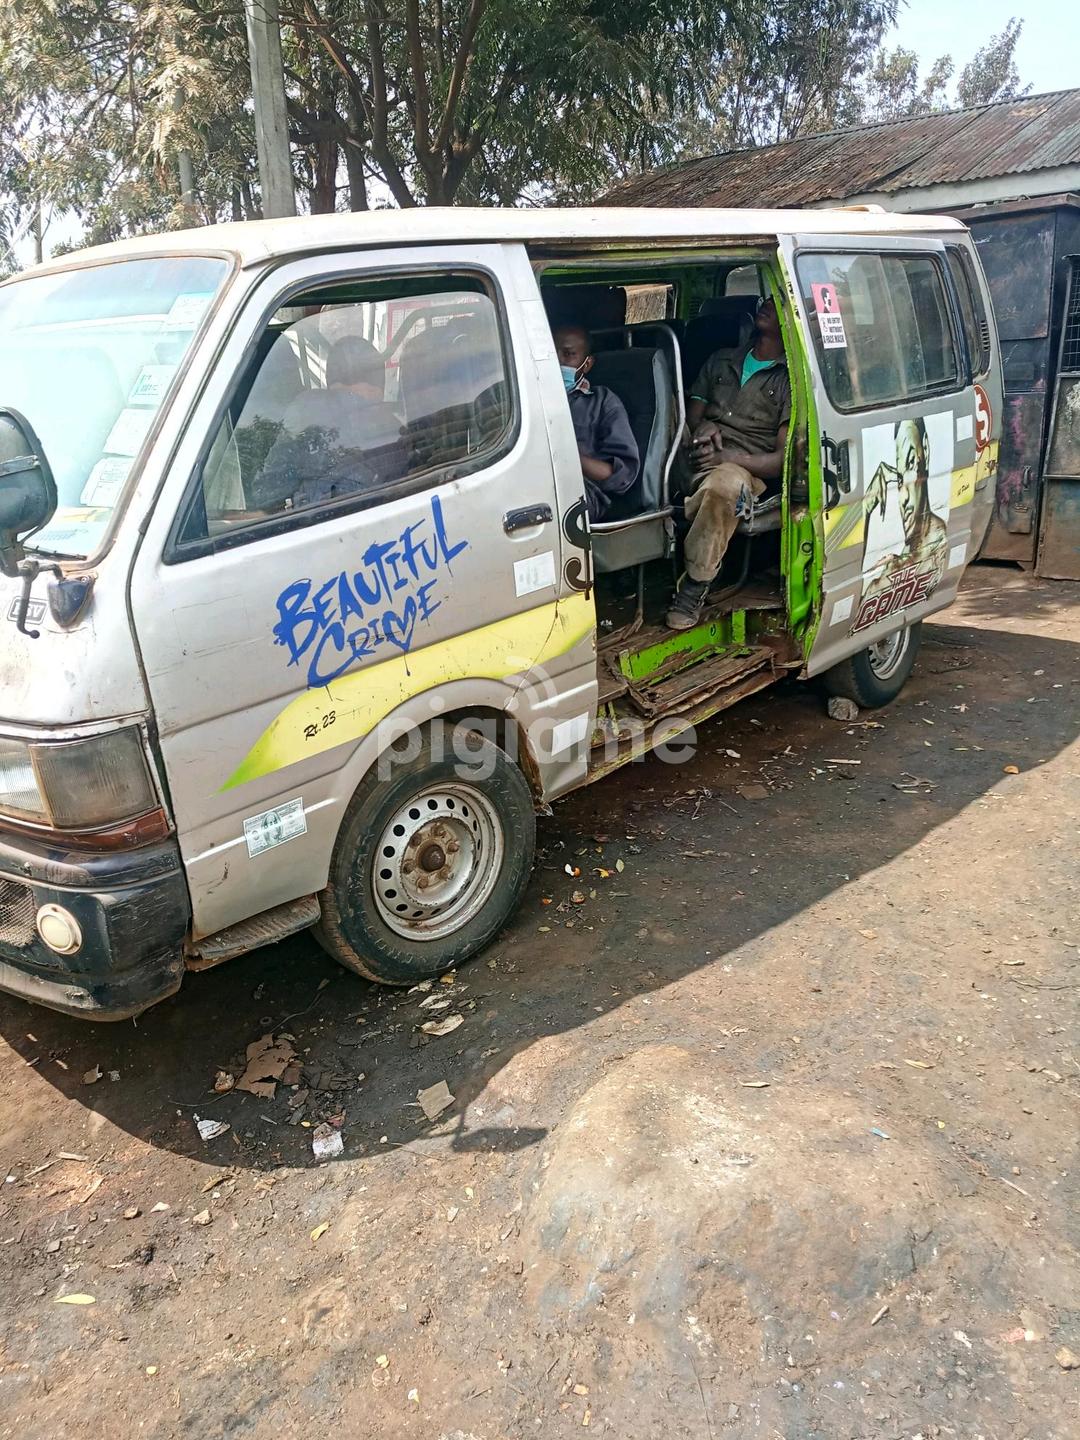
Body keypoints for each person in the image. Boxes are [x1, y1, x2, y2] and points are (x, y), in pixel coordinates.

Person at [667, 296, 790, 629]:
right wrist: (701, 430)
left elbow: (781, 462)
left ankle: (695, 584)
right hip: (694, 455)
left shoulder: (788, 379)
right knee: (663, 405)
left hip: (742, 469)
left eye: (779, 302)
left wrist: (734, 458)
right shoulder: (721, 360)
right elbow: (689, 420)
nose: (767, 303)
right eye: (766, 300)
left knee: (724, 487)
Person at [253, 334, 410, 512]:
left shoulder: (302, 412)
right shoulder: (394, 430)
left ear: (329, 380)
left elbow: (265, 492)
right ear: (380, 386)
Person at [553, 324, 640, 522]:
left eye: (568, 354)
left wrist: (567, 454)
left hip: (583, 492)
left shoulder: (603, 402)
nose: (557, 360)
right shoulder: (525, 396)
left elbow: (621, 476)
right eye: (551, 352)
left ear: (587, 364)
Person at [862, 417, 948, 601]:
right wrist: (866, 506)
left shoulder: (937, 544)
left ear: (925, 450)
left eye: (910, 466)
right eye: (900, 480)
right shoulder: (909, 550)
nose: (905, 496)